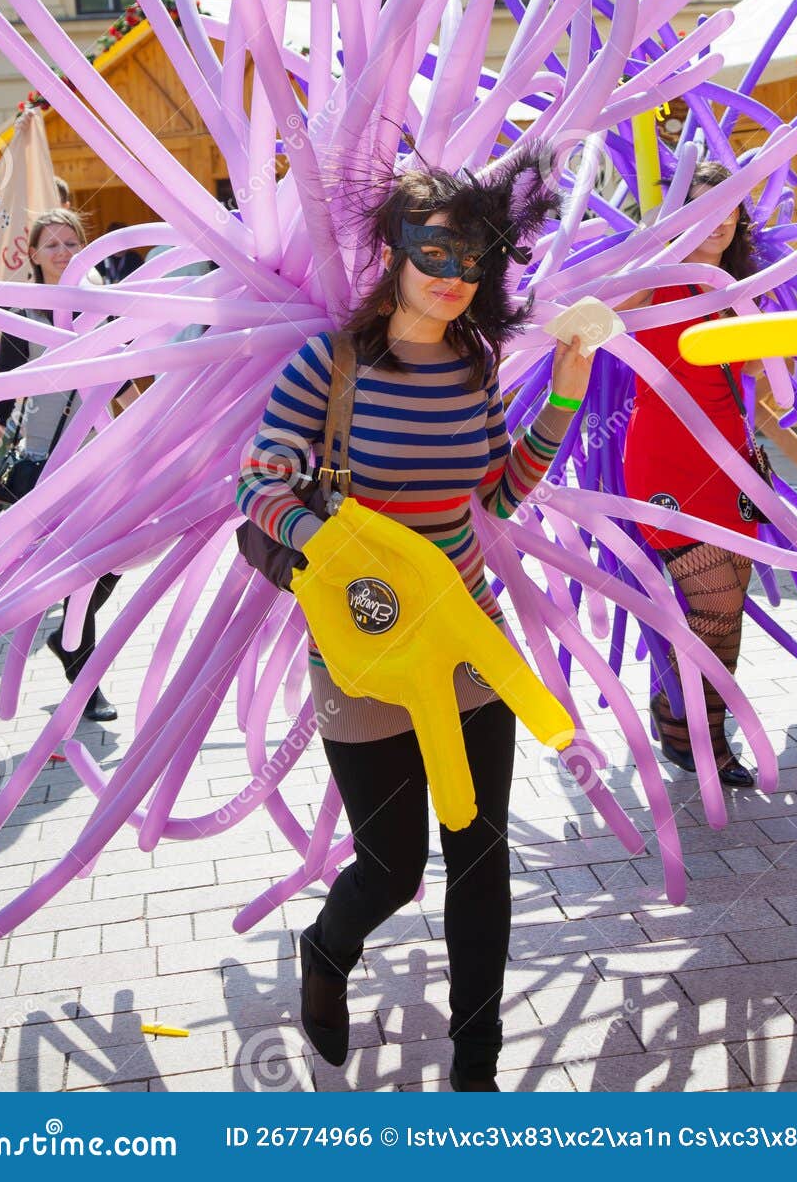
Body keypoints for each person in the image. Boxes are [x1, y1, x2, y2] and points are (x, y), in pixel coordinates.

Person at [237, 156, 590, 1092]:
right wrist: (334, 546)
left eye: (472, 258)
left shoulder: (472, 365)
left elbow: (496, 498)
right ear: (391, 251)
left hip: (468, 637)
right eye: (434, 248)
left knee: (479, 852)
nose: (453, 271)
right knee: (390, 868)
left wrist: (559, 399)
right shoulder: (331, 366)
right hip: (363, 651)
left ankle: (477, 1068)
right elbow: (260, 482)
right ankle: (325, 947)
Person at [617, 160, 763, 789]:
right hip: (665, 463)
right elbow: (592, 315)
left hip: (736, 469)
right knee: (717, 602)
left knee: (725, 612)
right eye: (707, 212)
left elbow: (764, 391)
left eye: (731, 215)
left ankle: (682, 712)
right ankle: (696, 737)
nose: (721, 225)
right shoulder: (655, 284)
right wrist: (655, 252)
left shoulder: (740, 291)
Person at [0, 208, 134, 724]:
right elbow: (2, 396)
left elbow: (128, 382)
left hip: (100, 458)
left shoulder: (102, 309)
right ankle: (84, 678)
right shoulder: (23, 316)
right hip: (45, 466)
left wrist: (152, 444)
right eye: (52, 245)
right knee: (77, 568)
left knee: (111, 561)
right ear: (35, 256)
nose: (63, 252)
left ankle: (67, 639)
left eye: (71, 243)